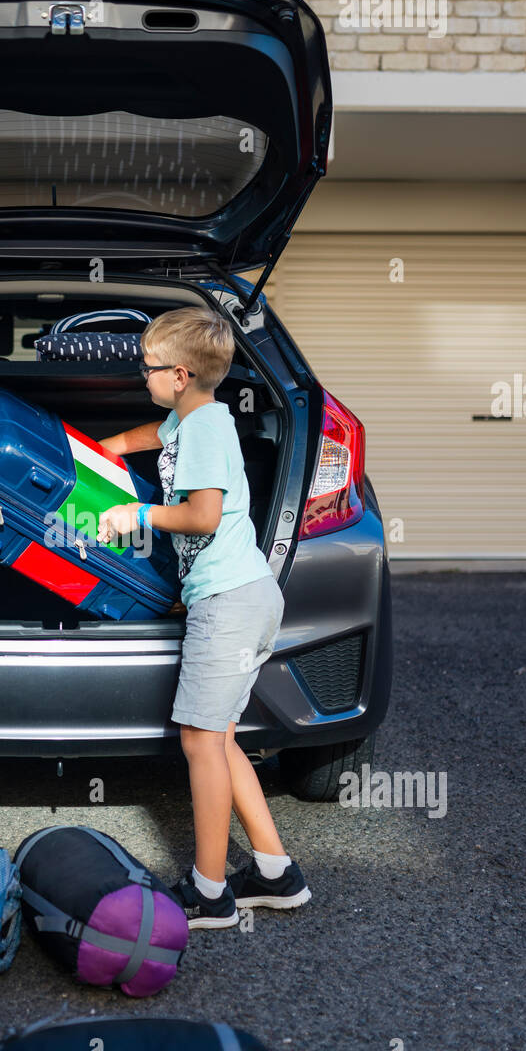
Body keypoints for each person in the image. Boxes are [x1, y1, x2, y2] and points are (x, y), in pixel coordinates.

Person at [97, 306, 310, 928]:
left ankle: (209, 892)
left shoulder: (207, 433)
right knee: (220, 739)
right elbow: (150, 437)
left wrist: (135, 516)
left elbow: (202, 516)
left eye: (150, 366)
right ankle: (275, 872)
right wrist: (97, 450)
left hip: (231, 604)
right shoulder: (192, 418)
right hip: (237, 597)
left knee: (198, 741)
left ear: (182, 374)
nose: (143, 374)